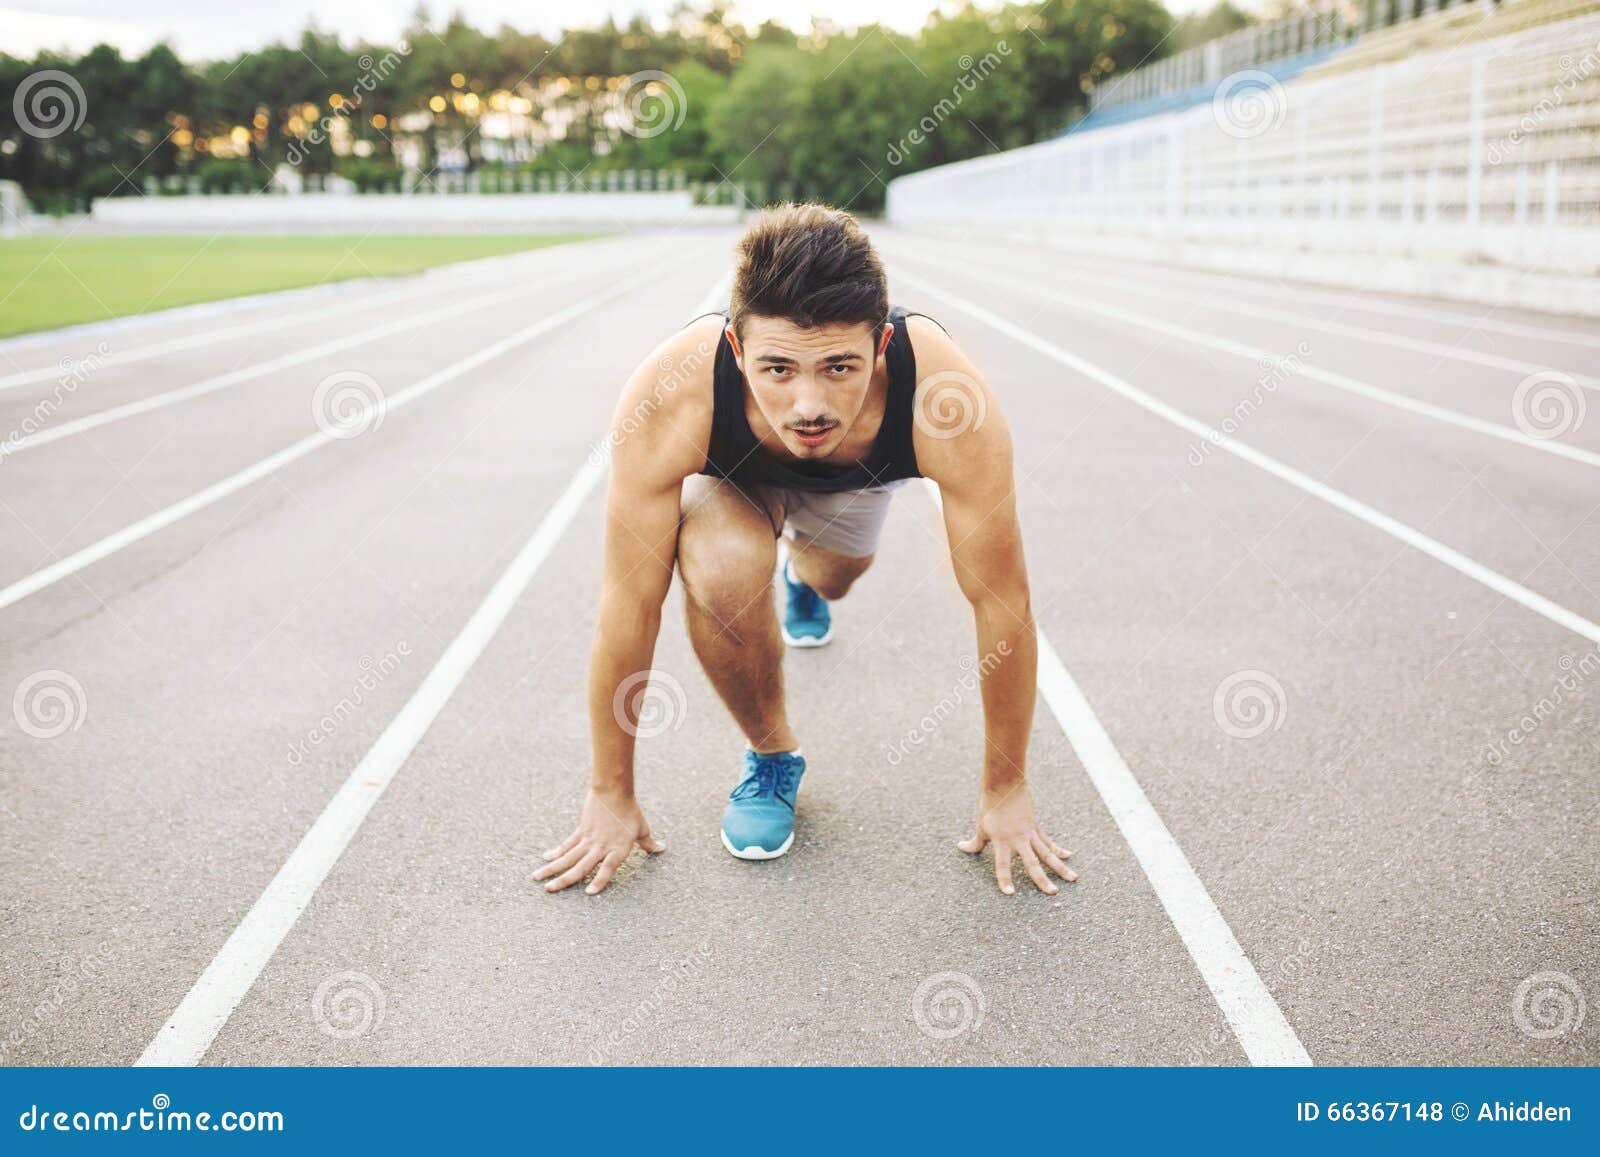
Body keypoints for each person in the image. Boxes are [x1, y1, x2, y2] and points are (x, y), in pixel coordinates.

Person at [533, 203, 1076, 897]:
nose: (808, 405)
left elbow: (1003, 601)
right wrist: (610, 792)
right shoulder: (672, 397)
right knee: (726, 569)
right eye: (778, 369)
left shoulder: (945, 398)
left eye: (839, 367)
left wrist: (1006, 789)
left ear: (881, 349)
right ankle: (772, 756)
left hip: (861, 483)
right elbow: (629, 602)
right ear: (736, 350)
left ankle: (805, 577)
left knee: (832, 575)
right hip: (742, 484)